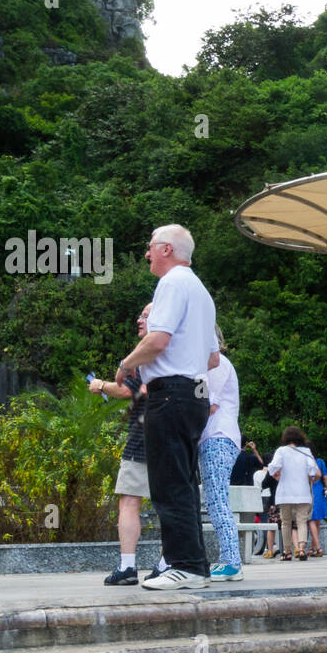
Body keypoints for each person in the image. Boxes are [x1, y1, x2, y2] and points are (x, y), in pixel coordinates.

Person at [115, 225, 218, 591]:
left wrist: (127, 365)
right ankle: (194, 564)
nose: (146, 254)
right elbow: (213, 357)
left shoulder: (172, 283)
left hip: (171, 393)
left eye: (149, 248)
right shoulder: (201, 290)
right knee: (184, 482)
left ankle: (185, 565)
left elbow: (157, 340)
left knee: (169, 483)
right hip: (194, 394)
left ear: (166, 249)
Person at [92, 304, 152, 586]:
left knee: (129, 499)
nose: (139, 319)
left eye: (145, 316)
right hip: (173, 431)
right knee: (170, 501)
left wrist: (103, 384)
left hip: (143, 432)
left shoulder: (147, 351)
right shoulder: (181, 350)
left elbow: (126, 387)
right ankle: (170, 562)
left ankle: (128, 566)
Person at [199, 328, 244, 579]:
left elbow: (209, 404)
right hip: (212, 438)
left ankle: (232, 562)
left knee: (217, 500)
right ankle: (228, 559)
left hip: (218, 437)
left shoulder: (217, 364)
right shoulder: (206, 367)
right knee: (215, 500)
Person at [267, 426, 320, 561]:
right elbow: (312, 470)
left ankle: (288, 551)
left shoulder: (281, 451)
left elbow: (273, 466)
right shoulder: (306, 451)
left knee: (286, 522)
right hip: (302, 492)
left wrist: (276, 475)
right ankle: (301, 549)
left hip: (285, 492)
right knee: (302, 521)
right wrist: (310, 477)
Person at [307, 445, 327, 555]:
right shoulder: (321, 462)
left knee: (311, 520)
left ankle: (318, 547)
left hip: (310, 491)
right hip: (320, 491)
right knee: (317, 522)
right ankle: (312, 549)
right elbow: (325, 478)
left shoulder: (306, 463)